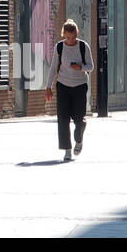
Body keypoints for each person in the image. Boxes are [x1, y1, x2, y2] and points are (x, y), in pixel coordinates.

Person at [44, 20, 95, 162]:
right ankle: (67, 150)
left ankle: (79, 139)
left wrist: (81, 67)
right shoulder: (59, 47)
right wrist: (48, 87)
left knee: (79, 119)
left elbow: (91, 67)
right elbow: (53, 67)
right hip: (63, 85)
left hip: (79, 86)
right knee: (63, 118)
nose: (70, 40)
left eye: (73, 37)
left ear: (76, 34)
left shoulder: (83, 46)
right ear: (64, 35)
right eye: (67, 37)